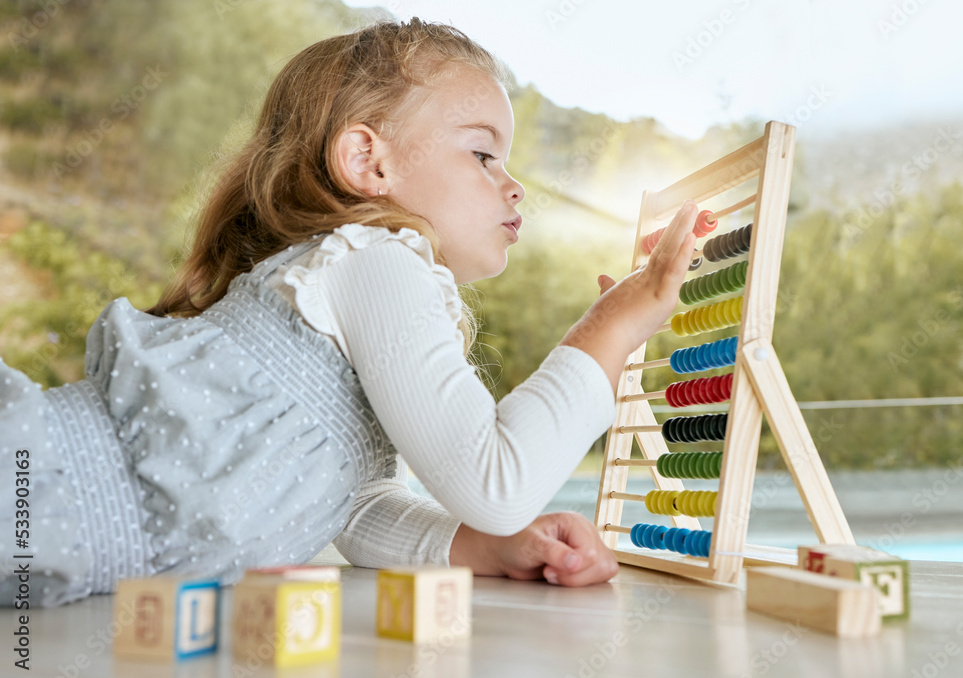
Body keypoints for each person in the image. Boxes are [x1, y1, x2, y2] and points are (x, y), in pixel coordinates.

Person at [0, 18, 697, 608]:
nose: (514, 186)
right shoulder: (376, 260)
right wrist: (612, 328)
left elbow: (354, 508)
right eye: (483, 153)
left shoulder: (347, 293)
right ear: (369, 160)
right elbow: (497, 481)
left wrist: (483, 545)